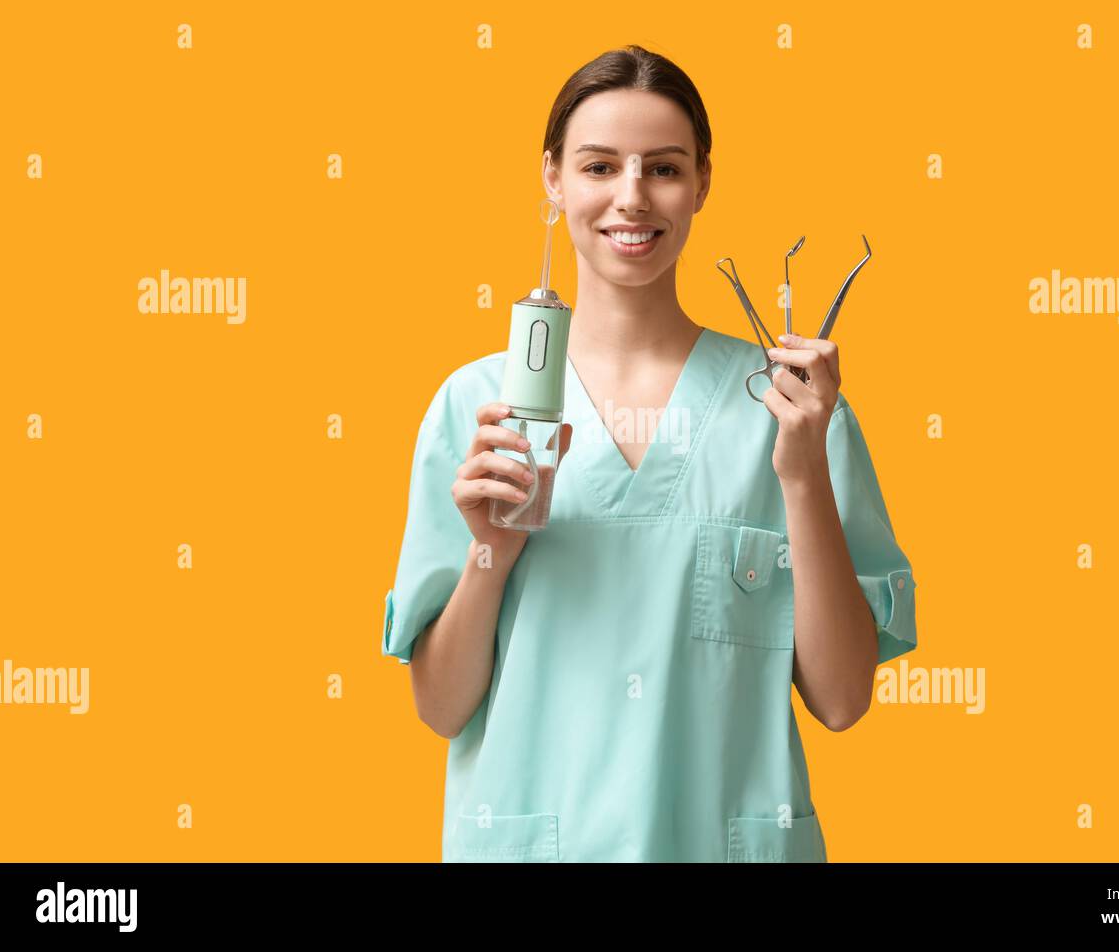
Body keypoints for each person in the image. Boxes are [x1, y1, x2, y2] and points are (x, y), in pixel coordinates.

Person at [381, 44, 918, 862]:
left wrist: (803, 475)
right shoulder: (475, 408)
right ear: (553, 179)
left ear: (702, 182)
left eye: (662, 169)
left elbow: (842, 699)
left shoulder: (793, 411)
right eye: (599, 166)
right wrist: (492, 549)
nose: (631, 198)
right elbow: (441, 706)